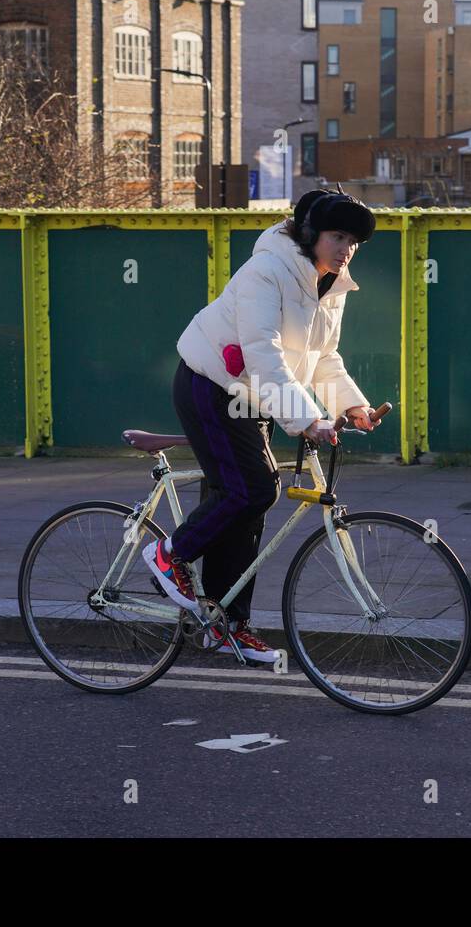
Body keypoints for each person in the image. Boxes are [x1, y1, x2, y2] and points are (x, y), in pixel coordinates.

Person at [142, 190, 382, 663]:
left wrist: (351, 405)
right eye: (338, 237)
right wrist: (306, 417)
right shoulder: (266, 271)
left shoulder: (331, 285)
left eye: (353, 241)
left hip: (254, 394)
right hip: (210, 385)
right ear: (310, 234)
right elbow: (263, 354)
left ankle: (227, 624)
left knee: (247, 507)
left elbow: (322, 357)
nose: (346, 249)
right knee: (253, 489)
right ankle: (170, 554)